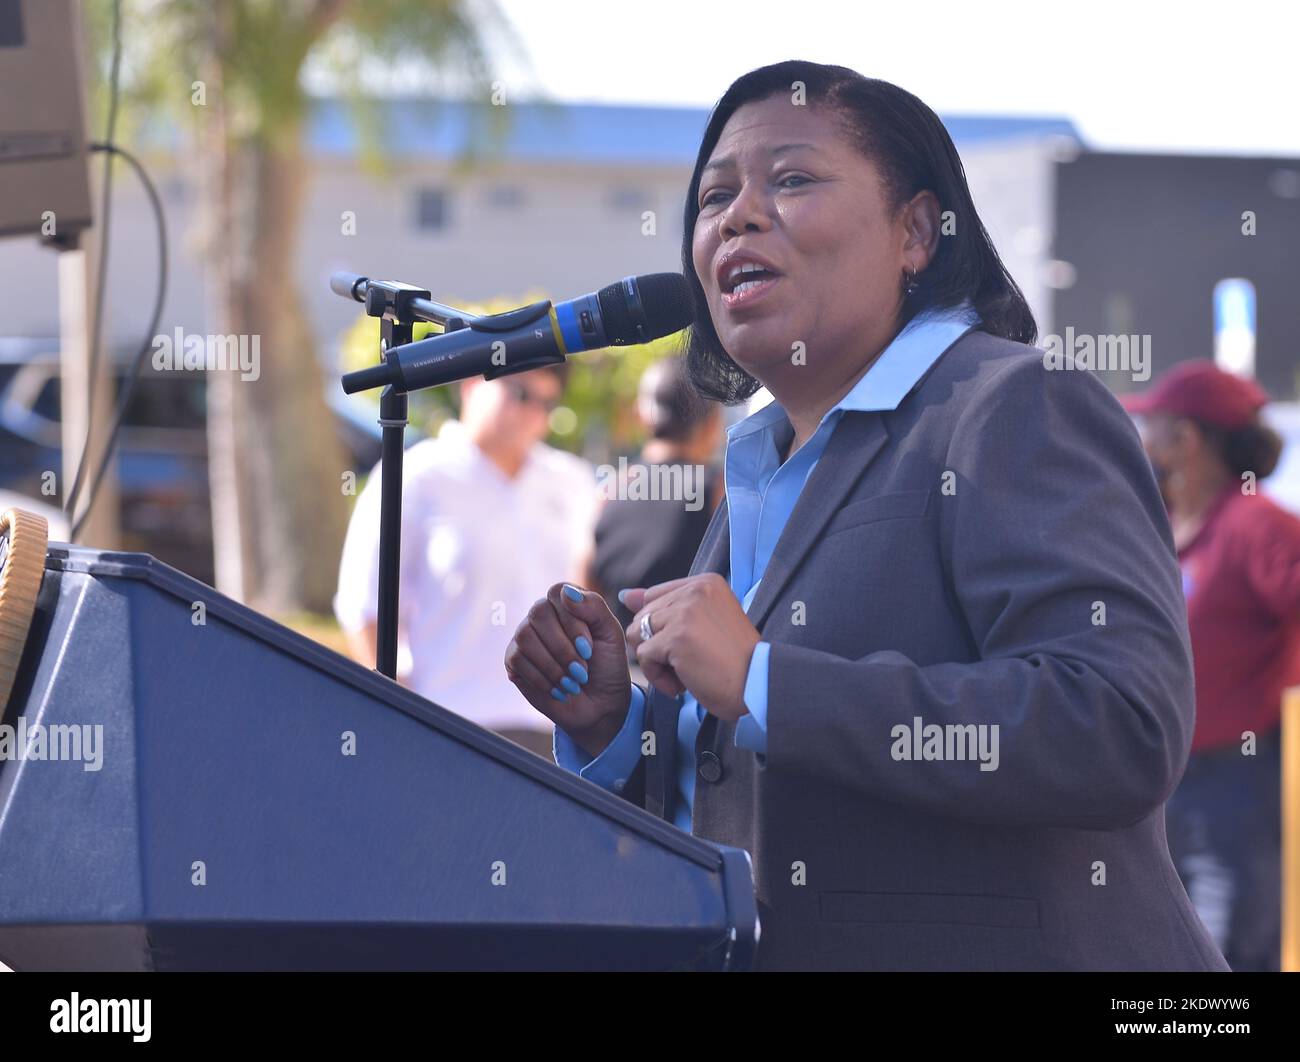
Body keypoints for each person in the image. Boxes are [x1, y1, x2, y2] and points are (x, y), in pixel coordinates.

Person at [503, 60, 1229, 970]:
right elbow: (776, 788)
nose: (738, 215)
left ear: (917, 231)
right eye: (714, 196)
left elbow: (1120, 726)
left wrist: (765, 679)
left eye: (793, 179)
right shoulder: (763, 462)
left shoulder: (1011, 406)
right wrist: (617, 729)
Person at [1124, 360, 1299, 971]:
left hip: (1234, 780)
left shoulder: (1258, 525)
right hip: (1165, 781)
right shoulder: (1167, 524)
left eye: (1154, 424)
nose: (1141, 438)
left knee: (1229, 953)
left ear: (1187, 439)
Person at [336, 364, 597, 759]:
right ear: (473, 386)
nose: (532, 413)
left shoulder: (572, 481)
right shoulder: (415, 475)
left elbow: (589, 596)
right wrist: (406, 716)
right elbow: (361, 608)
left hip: (557, 735)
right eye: (521, 394)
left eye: (547, 402)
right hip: (449, 730)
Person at [586, 355, 725, 650]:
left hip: (620, 674)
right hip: (693, 673)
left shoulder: (608, 492)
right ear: (712, 423)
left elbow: (584, 594)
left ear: (642, 416)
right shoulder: (720, 491)